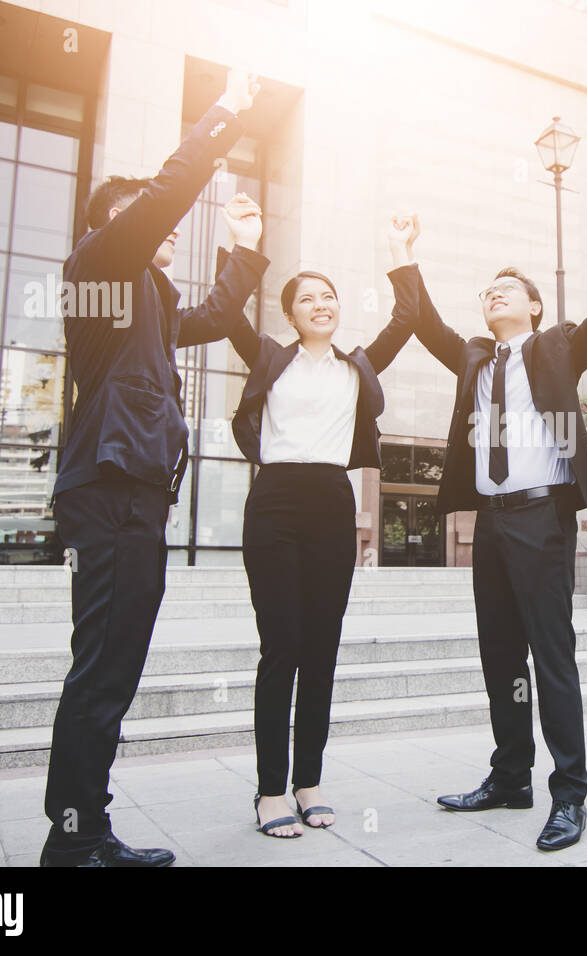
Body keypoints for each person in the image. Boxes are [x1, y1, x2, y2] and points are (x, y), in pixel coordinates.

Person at [40, 70, 267, 867]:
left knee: (115, 666)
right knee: (102, 665)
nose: (170, 233)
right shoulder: (98, 270)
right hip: (105, 495)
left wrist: (243, 249)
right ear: (116, 225)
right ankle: (73, 841)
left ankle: (86, 829)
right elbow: (164, 199)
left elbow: (211, 316)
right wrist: (226, 115)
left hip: (137, 502)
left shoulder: (153, 308)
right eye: (152, 225)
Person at [393, 187, 587, 850]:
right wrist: (403, 254)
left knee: (551, 655)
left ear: (534, 305)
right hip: (491, 522)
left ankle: (569, 794)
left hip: (543, 518)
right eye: (487, 290)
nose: (495, 294)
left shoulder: (557, 347)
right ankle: (510, 776)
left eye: (508, 288)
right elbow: (423, 322)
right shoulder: (474, 359)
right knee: (500, 655)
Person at [224, 218, 419, 838]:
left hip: (333, 499)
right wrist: (245, 242)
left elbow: (408, 316)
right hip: (276, 500)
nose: (322, 304)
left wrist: (398, 251)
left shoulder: (356, 365)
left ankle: (309, 780)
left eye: (329, 296)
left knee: (322, 650)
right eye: (308, 297)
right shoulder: (267, 355)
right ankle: (269, 791)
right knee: (281, 646)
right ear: (290, 314)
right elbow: (227, 310)